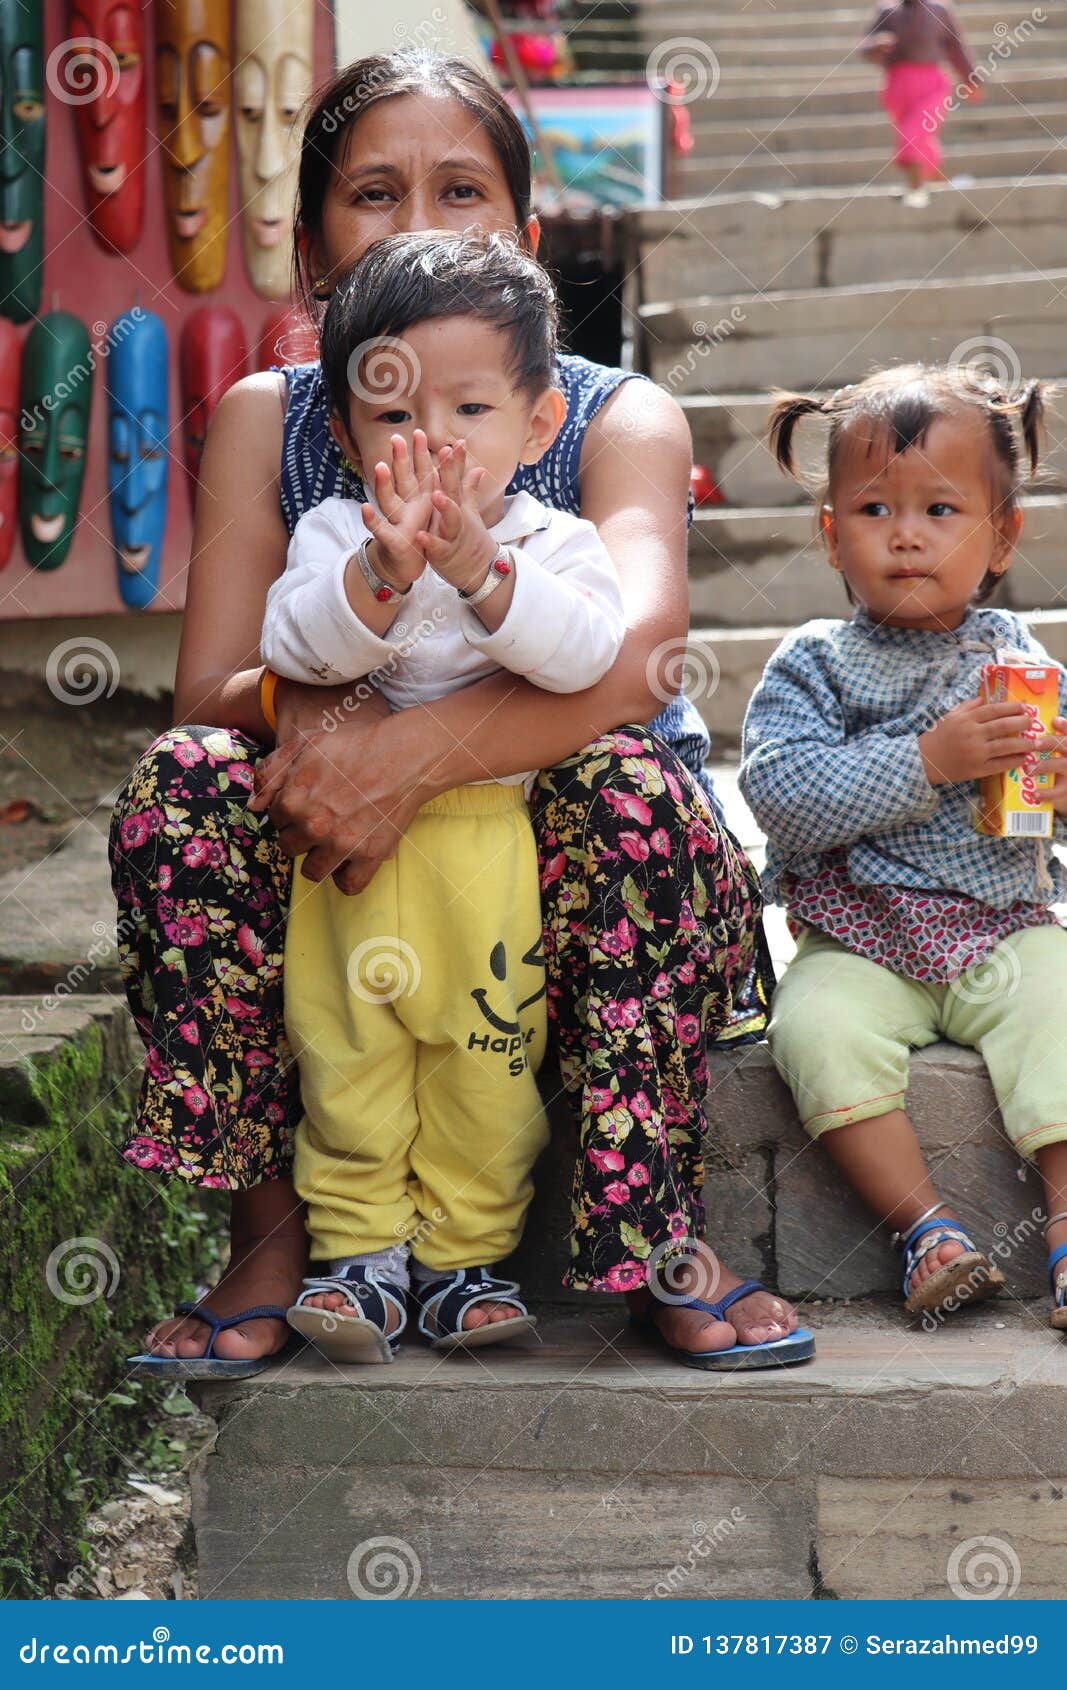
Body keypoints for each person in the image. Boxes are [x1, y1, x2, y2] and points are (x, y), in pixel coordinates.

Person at [112, 49, 801, 1379]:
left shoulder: (607, 415)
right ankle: (271, 1228)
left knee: (633, 788)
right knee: (183, 780)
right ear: (313, 257)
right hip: (343, 869)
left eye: (462, 191)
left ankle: (649, 1225)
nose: (418, 224)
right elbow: (210, 687)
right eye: (374, 193)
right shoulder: (277, 420)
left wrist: (410, 757)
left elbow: (639, 663)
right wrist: (324, 708)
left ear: (527, 244)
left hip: (567, 844)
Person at [261, 229, 625, 1359]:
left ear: (538, 424)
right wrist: (381, 575)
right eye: (392, 414)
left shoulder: (554, 544)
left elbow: (584, 656)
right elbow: (293, 648)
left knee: (487, 1053)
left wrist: (481, 571)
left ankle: (467, 1259)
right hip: (350, 858)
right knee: (346, 1046)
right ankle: (358, 1256)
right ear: (342, 434)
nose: (432, 445)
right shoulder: (337, 534)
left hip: (482, 838)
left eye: (469, 410)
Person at [740, 363, 1067, 1331]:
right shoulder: (813, 663)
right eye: (874, 508)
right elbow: (781, 795)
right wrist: (926, 759)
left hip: (1002, 929)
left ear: (1000, 536)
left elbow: (1049, 799)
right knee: (812, 1031)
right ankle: (927, 1230)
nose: (906, 533)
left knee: (1059, 1010)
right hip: (860, 939)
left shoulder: (1018, 662)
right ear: (830, 533)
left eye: (940, 509)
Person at [861, 0, 979, 207]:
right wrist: (877, 44)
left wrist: (971, 79)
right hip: (898, 87)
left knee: (913, 134)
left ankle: (915, 188)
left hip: (932, 85)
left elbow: (956, 48)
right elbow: (865, 46)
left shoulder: (940, 11)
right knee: (921, 142)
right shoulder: (887, 12)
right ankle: (941, 187)